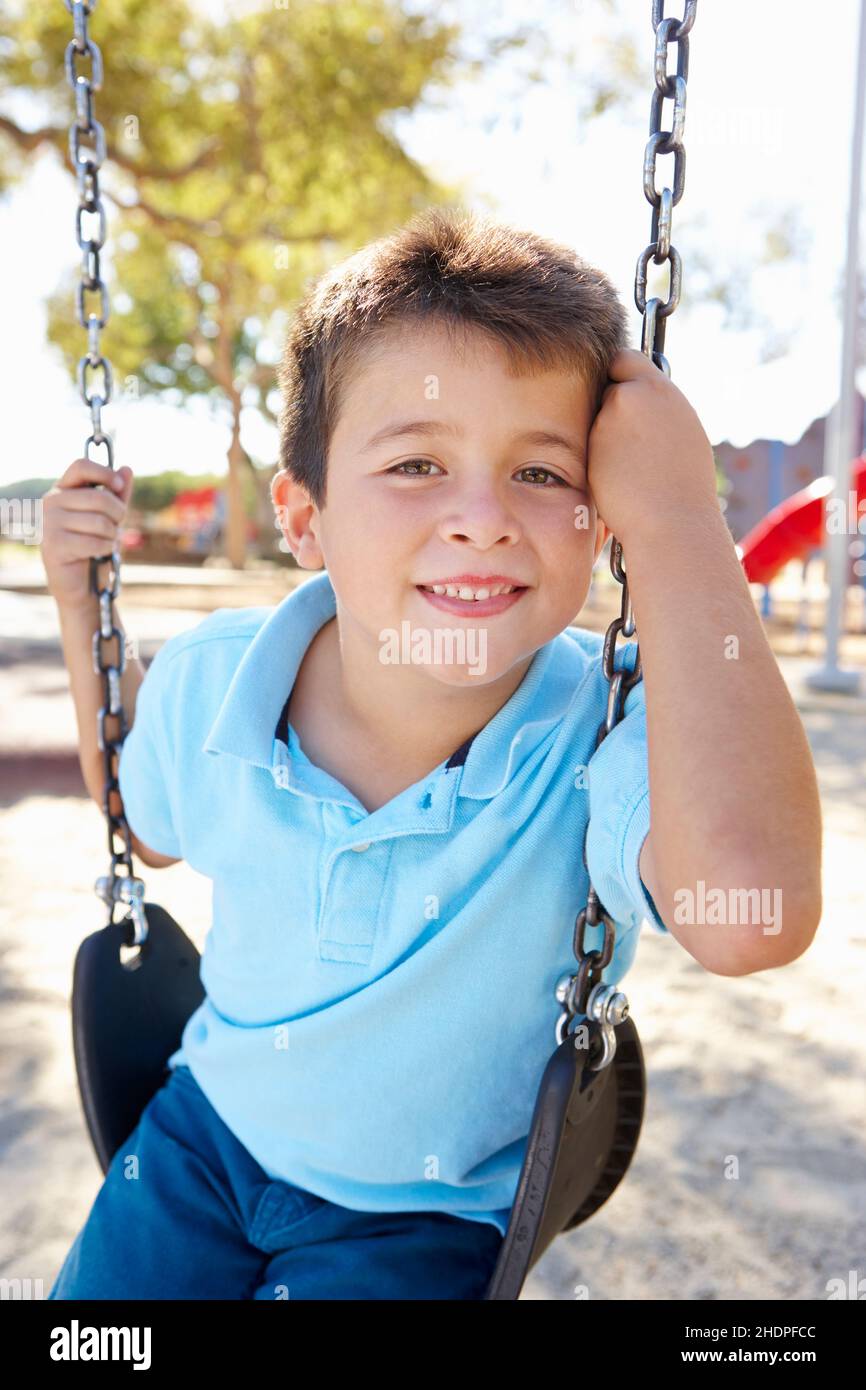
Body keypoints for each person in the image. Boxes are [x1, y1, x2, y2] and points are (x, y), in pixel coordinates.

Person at [39, 207, 823, 1300]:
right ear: (303, 518)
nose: (480, 517)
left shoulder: (603, 735)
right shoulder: (218, 680)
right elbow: (139, 818)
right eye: (415, 462)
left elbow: (754, 915)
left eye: (542, 475)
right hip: (199, 1144)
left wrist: (683, 522)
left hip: (423, 1214)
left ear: (602, 522)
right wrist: (88, 616)